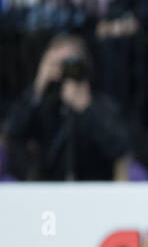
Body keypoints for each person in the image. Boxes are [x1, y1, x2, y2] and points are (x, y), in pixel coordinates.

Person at [0, 33, 133, 181]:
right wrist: (38, 87)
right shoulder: (41, 106)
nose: (62, 70)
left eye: (68, 63)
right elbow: (12, 132)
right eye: (55, 63)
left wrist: (86, 108)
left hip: (94, 190)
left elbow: (121, 148)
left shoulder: (102, 106)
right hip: (47, 190)